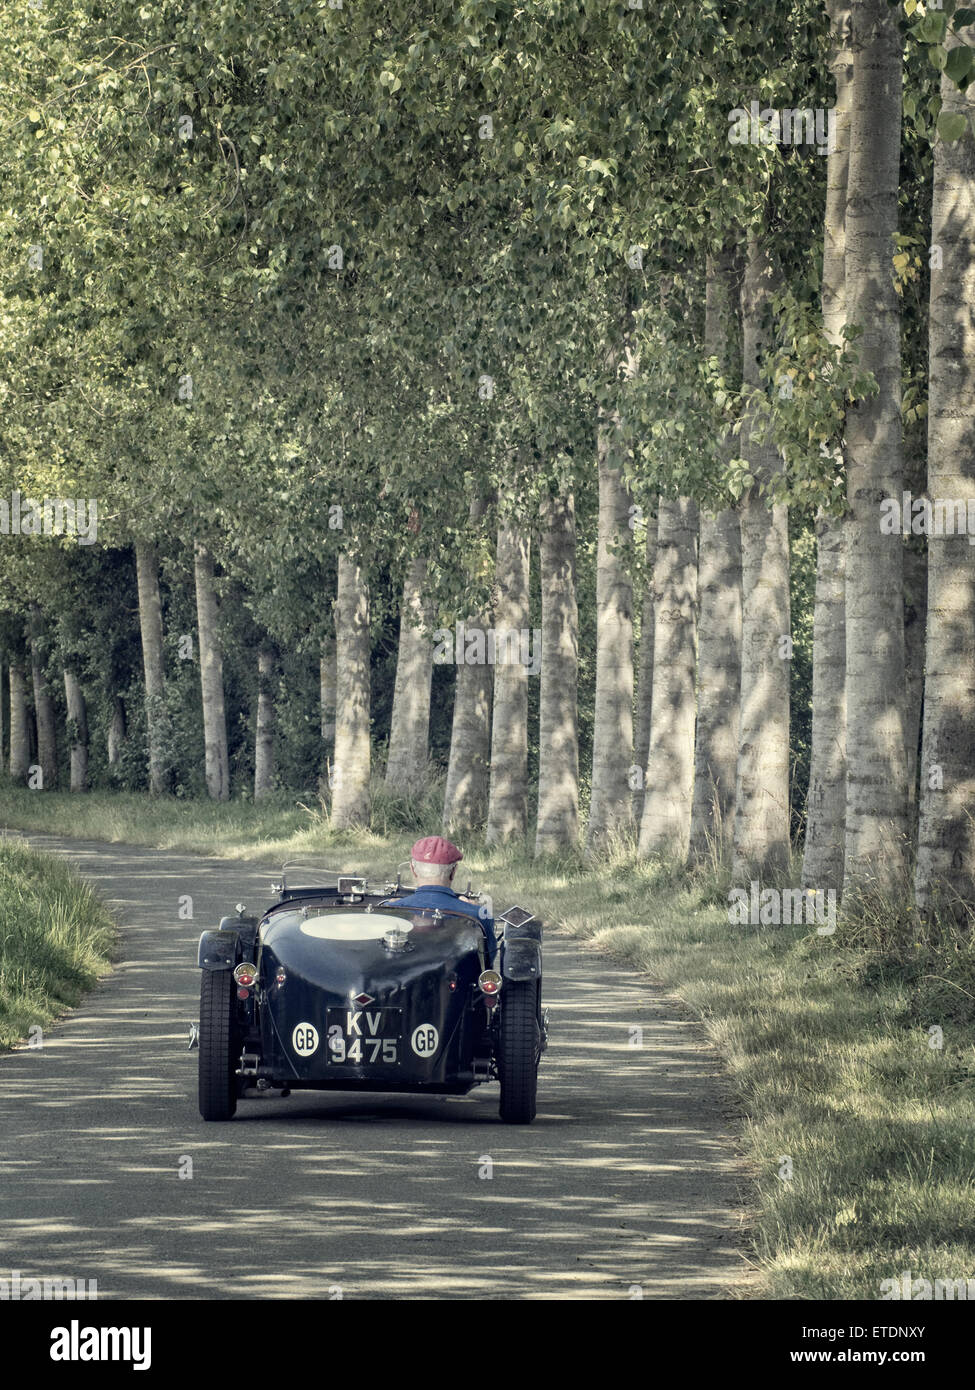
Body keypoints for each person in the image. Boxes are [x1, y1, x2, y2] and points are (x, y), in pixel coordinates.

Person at [384, 836, 496, 959]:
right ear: (453, 872)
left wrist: (393, 906)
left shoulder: (390, 910)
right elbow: (487, 962)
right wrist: (473, 909)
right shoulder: (479, 915)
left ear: (413, 869)